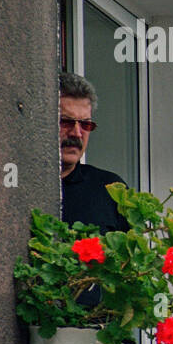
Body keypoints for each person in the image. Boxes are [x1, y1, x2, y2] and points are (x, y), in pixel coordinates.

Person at [58, 72, 127, 233]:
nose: (76, 133)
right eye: (66, 122)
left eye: (85, 124)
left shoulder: (110, 189)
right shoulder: (17, 183)